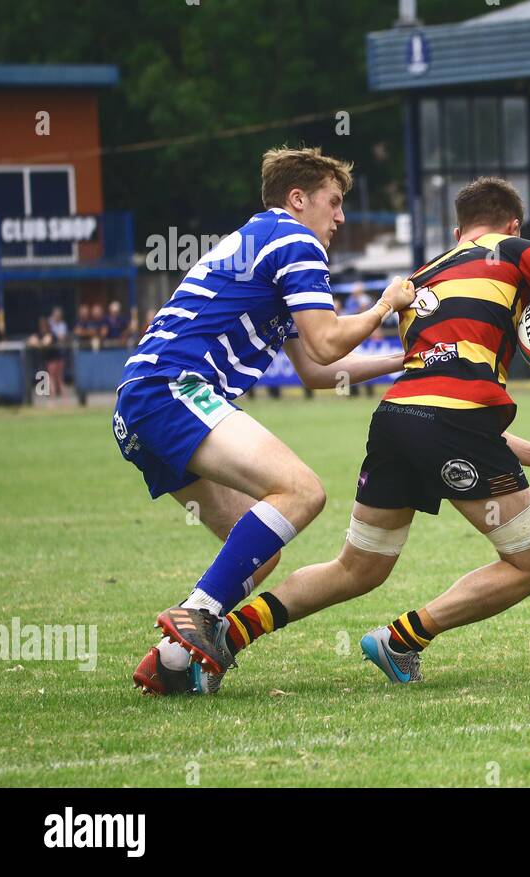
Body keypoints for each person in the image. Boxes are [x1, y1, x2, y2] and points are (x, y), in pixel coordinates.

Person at [192, 177, 530, 690]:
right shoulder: (514, 250)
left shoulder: (420, 280)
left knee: (358, 567)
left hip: (396, 421)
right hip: (457, 426)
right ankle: (402, 639)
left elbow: (429, 388)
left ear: (458, 231)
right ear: (512, 224)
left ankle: (226, 635)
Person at [122, 146, 416, 695]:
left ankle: (169, 664)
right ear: (298, 198)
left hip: (143, 399)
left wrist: (403, 361)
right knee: (301, 492)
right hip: (173, 388)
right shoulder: (295, 239)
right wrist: (382, 306)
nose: (340, 217)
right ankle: (198, 613)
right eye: (334, 202)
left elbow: (316, 371)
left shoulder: (260, 241)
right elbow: (328, 342)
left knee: (259, 549)